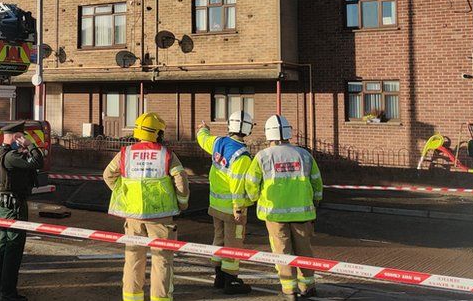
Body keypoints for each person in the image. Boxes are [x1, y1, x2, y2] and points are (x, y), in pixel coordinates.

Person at [103, 112, 189, 301]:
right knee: (162, 261)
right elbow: (181, 180)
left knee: (133, 259)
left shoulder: (125, 153)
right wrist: (182, 203)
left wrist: (124, 194)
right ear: (157, 133)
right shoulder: (166, 154)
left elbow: (108, 175)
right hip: (161, 217)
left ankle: (132, 298)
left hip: (133, 217)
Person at [244, 115, 323, 300]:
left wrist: (255, 199)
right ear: (289, 132)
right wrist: (317, 201)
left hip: (275, 214)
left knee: (282, 253)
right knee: (305, 250)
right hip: (303, 213)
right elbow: (317, 181)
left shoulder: (262, 156)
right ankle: (308, 287)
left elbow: (251, 184)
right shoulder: (304, 155)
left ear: (268, 134)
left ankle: (289, 290)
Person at [196, 111, 255, 294]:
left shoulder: (218, 142)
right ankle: (231, 280)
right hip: (232, 208)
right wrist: (239, 208)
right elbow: (237, 184)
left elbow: (203, 139)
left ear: (230, 125)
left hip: (215, 205)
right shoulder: (242, 156)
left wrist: (203, 129)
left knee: (219, 238)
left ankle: (219, 277)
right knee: (234, 242)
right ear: (248, 129)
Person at [0, 121, 45, 301]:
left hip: (3, 203)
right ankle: (8, 293)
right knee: (14, 248)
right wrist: (30, 146)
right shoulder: (12, 156)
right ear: (17, 137)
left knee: (4, 245)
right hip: (14, 205)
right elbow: (38, 161)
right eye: (22, 137)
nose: (24, 139)